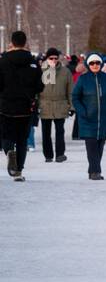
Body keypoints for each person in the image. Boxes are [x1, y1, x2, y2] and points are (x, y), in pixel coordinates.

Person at [0, 30, 44, 182]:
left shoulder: (3, 60)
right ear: (25, 43)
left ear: (12, 43)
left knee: (5, 136)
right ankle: (18, 171)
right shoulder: (32, 62)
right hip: (25, 107)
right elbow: (40, 86)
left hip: (5, 106)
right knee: (22, 140)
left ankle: (8, 151)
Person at [71, 53, 106, 181]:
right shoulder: (83, 79)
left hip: (104, 119)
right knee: (91, 146)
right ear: (88, 64)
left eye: (97, 63)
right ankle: (96, 171)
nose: (95, 65)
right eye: (92, 63)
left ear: (101, 64)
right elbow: (75, 97)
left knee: (99, 147)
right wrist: (82, 111)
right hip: (87, 119)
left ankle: (92, 170)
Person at [38, 47, 72, 163]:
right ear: (47, 58)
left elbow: (70, 90)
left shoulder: (65, 71)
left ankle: (60, 154)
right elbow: (35, 89)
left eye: (55, 58)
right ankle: (48, 155)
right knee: (46, 132)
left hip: (60, 104)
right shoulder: (40, 70)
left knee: (60, 131)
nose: (53, 60)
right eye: (50, 58)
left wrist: (71, 106)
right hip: (44, 104)